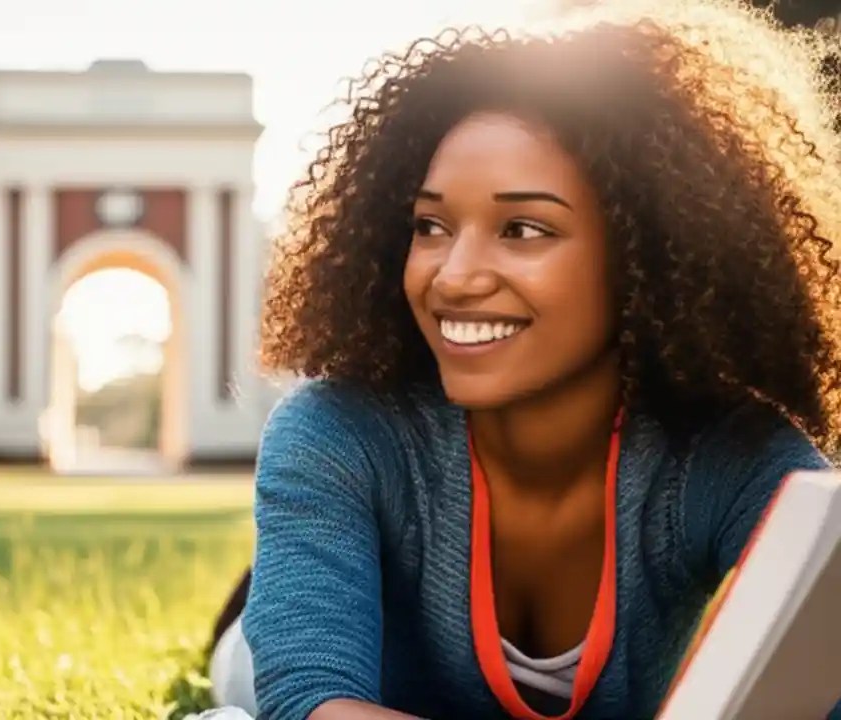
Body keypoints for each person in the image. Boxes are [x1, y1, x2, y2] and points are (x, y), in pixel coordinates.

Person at [212, 0, 841, 718]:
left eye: (523, 228)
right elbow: (309, 701)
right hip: (275, 663)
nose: (452, 276)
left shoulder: (728, 458)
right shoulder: (337, 432)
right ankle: (276, 580)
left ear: (648, 257)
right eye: (430, 225)